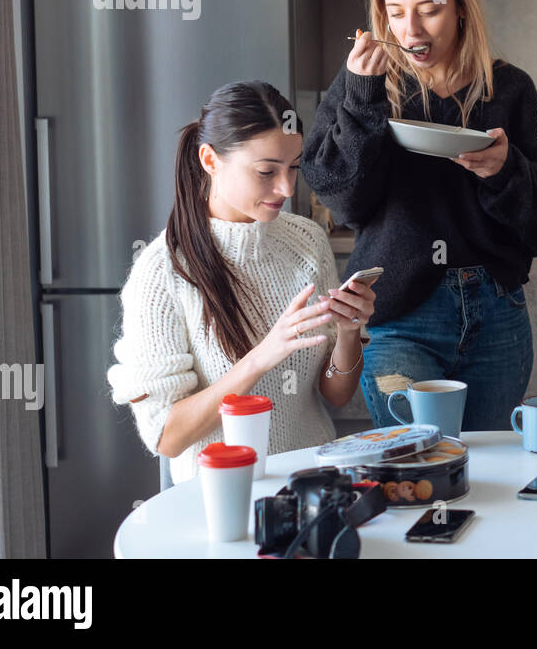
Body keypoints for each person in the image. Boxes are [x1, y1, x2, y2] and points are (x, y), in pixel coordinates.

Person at [301, 0, 537, 431]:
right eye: (396, 12)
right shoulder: (363, 82)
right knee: (416, 462)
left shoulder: (508, 89)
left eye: (429, 10)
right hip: (400, 312)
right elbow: (342, 198)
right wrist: (362, 98)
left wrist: (504, 171)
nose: (411, 29)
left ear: (461, 9)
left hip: (497, 312)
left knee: (490, 472)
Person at [107, 81, 376, 484]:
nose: (286, 189)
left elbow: (334, 395)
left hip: (311, 486)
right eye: (266, 171)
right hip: (221, 499)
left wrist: (348, 332)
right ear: (210, 161)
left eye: (294, 168)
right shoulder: (162, 272)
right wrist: (261, 357)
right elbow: (167, 436)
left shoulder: (306, 241)